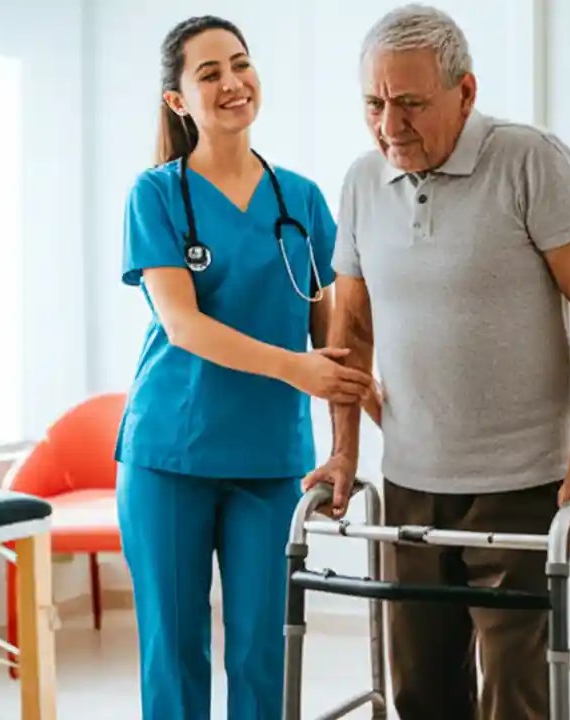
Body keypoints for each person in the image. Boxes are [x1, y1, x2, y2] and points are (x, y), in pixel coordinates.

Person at [301, 4, 570, 719]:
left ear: (466, 92)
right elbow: (351, 330)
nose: (391, 126)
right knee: (421, 695)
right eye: (374, 104)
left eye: (412, 103)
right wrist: (343, 454)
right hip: (410, 481)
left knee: (514, 695)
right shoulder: (362, 180)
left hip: (519, 483)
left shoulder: (528, 160)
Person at [113, 15, 375, 720]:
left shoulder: (301, 200)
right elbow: (183, 323)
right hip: (172, 450)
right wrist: (298, 369)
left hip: (267, 457)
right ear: (178, 101)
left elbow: (337, 334)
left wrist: (374, 404)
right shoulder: (157, 194)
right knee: (174, 651)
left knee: (264, 650)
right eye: (209, 73)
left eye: (241, 64)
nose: (233, 83)